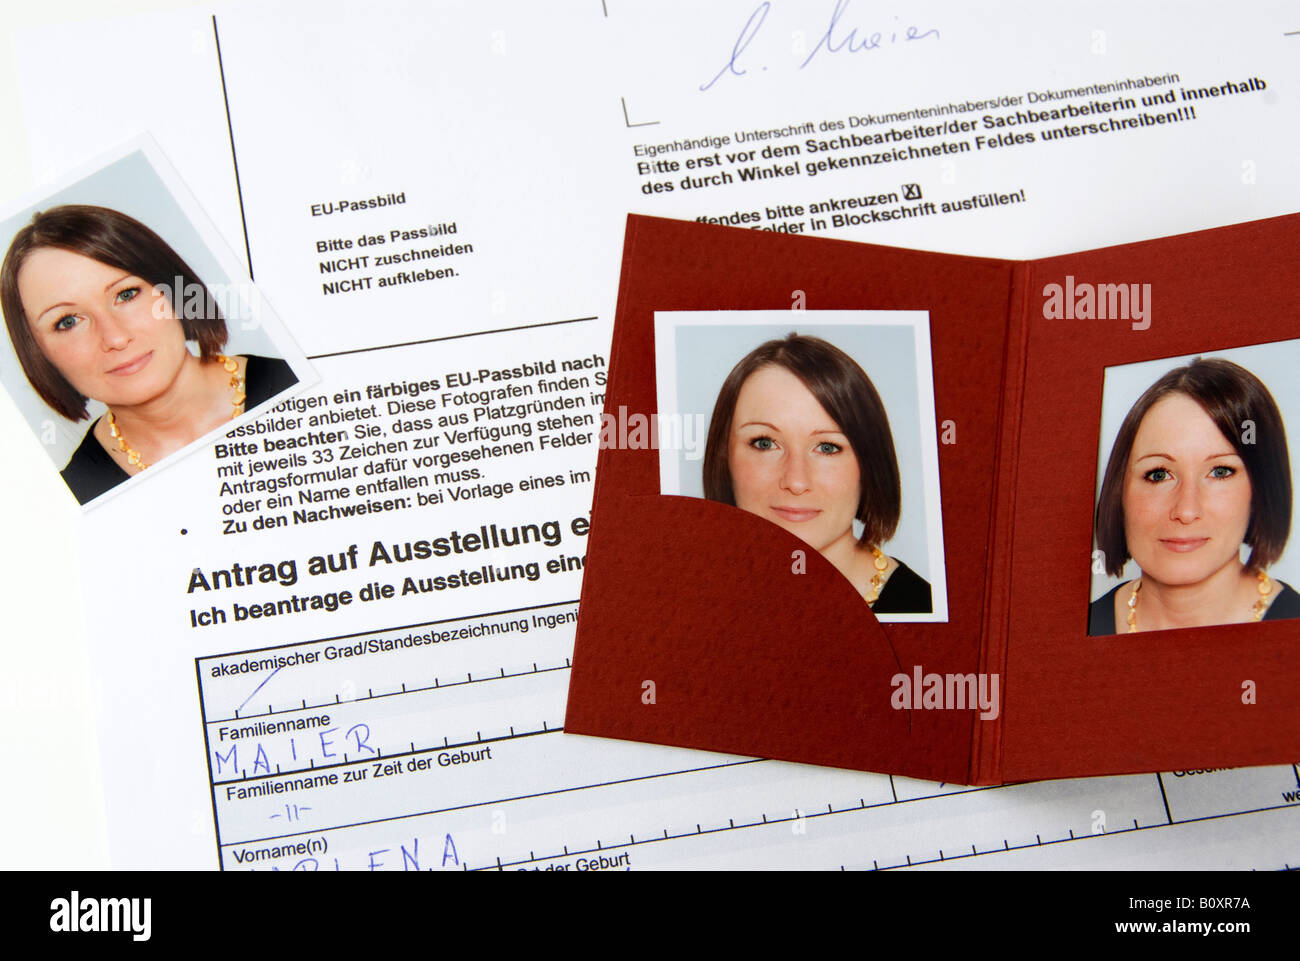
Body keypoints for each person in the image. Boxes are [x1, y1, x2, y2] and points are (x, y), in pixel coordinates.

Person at [1, 204, 295, 504]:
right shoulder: (71, 500)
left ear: (174, 292)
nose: (115, 337)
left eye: (126, 294)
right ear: (39, 354)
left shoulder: (295, 381)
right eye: (67, 322)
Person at [702, 333, 931, 613]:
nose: (796, 482)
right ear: (724, 458)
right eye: (764, 443)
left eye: (827, 447)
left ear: (869, 465)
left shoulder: (925, 609)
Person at [1090, 357, 1300, 635]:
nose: (1186, 510)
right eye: (1159, 474)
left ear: (1260, 491)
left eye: (1221, 471)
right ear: (1120, 493)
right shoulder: (1065, 635)